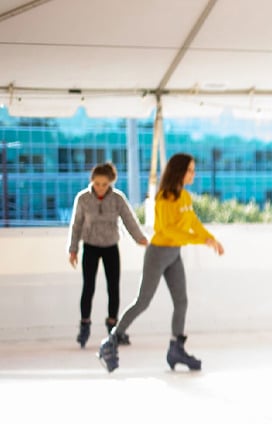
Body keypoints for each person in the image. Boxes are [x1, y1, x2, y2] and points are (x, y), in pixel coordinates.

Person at [98, 153, 224, 373]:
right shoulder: (164, 198)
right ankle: (111, 340)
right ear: (179, 171)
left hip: (174, 253)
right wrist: (201, 240)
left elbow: (192, 222)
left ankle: (176, 348)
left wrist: (211, 238)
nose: (193, 174)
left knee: (181, 301)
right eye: (190, 170)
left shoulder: (184, 197)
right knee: (143, 301)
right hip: (158, 253)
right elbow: (168, 230)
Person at [67, 162, 148, 348]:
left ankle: (114, 328)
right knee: (88, 287)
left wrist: (140, 239)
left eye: (104, 184)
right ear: (92, 181)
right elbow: (76, 225)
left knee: (113, 288)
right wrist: (73, 249)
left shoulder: (118, 199)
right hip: (90, 247)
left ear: (111, 183)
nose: (100, 188)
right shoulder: (83, 199)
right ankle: (84, 325)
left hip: (111, 246)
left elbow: (129, 220)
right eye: (97, 184)